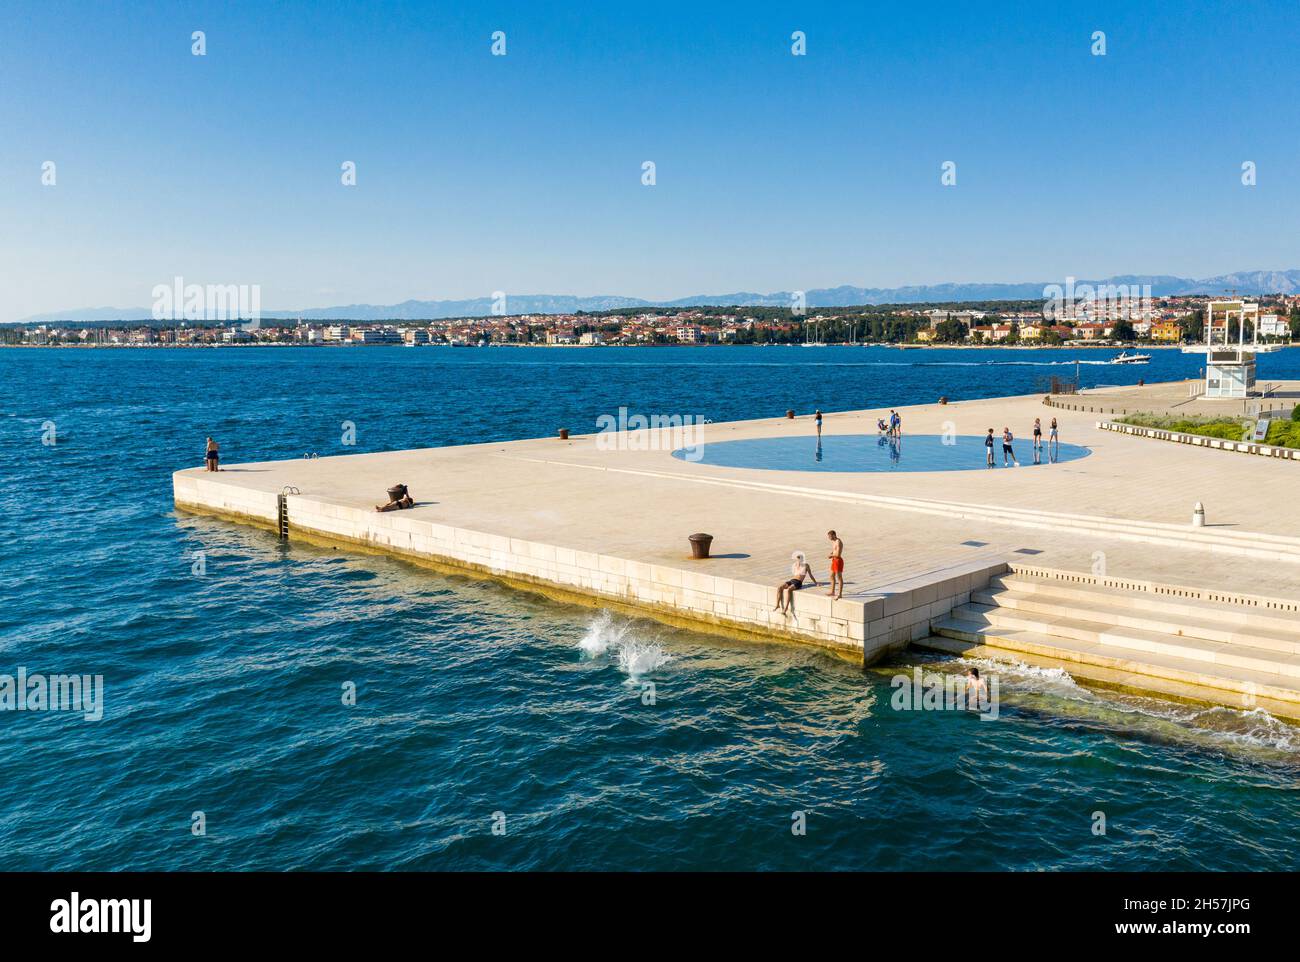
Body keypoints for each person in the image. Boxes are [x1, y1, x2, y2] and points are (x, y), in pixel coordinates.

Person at [774, 550, 818, 615]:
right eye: (797, 559)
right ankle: (777, 605)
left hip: (798, 582)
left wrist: (816, 583)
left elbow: (810, 575)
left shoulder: (806, 565)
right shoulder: (796, 565)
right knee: (779, 588)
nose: (798, 561)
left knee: (789, 590)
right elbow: (795, 573)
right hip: (792, 580)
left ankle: (785, 609)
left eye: (799, 559)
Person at [826, 530, 844, 600]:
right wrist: (831, 553)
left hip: (838, 561)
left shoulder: (838, 542)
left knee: (839, 577)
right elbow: (835, 551)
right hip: (834, 560)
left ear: (834, 535)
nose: (829, 538)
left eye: (830, 536)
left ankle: (840, 594)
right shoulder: (834, 542)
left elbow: (838, 554)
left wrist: (831, 555)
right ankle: (832, 591)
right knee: (831, 576)